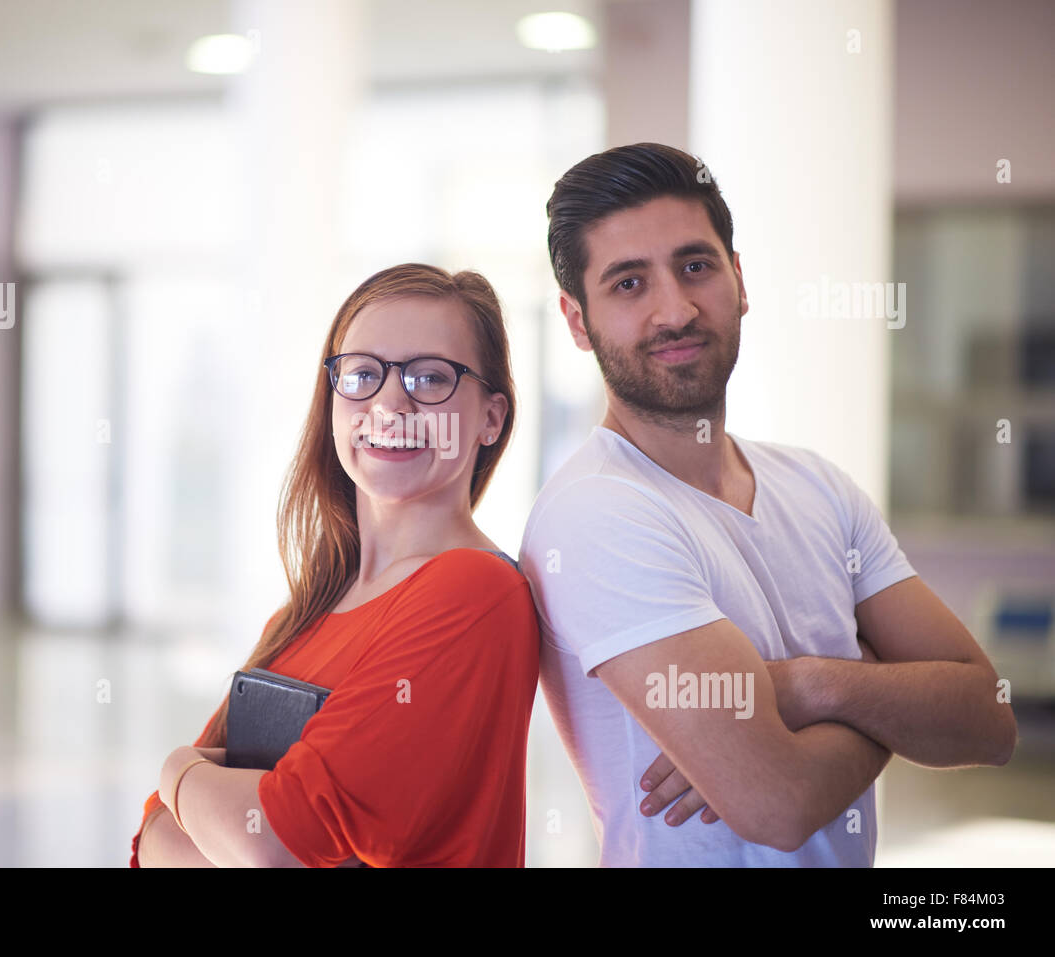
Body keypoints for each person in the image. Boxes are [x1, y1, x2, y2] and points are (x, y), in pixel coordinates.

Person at [519, 143, 1017, 866]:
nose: (676, 309)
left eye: (696, 266)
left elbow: (988, 719)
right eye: (629, 283)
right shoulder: (597, 514)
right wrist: (876, 681)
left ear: (739, 278)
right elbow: (777, 804)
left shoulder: (817, 485)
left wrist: (807, 684)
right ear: (575, 320)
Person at [132, 263, 540, 867]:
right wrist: (198, 806)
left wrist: (177, 767)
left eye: (430, 377)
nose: (389, 403)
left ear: (491, 418)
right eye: (362, 374)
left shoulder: (475, 592)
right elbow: (156, 839)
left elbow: (269, 844)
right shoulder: (301, 615)